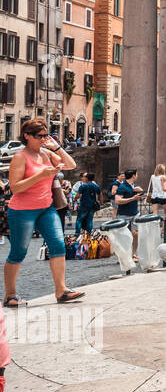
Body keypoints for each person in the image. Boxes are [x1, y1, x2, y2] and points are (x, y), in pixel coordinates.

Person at [2, 118, 83, 308]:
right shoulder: (20, 157)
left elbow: (71, 165)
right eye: (40, 136)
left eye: (46, 135)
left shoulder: (46, 153)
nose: (43, 139)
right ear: (27, 136)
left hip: (46, 208)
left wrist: (57, 148)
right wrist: (41, 175)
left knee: (58, 245)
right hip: (22, 211)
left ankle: (61, 290)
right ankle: (10, 295)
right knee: (18, 252)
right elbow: (15, 187)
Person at [113, 169, 143, 262]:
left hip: (135, 213)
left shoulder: (133, 185)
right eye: (137, 174)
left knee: (136, 234)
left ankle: (133, 254)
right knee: (122, 236)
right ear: (134, 175)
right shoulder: (122, 187)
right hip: (123, 214)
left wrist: (140, 191)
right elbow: (117, 201)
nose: (137, 176)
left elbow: (135, 196)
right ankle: (122, 255)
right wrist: (132, 198)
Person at [147, 165, 166, 231]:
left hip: (154, 196)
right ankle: (163, 229)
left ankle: (155, 229)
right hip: (162, 196)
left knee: (155, 213)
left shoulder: (152, 176)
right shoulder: (163, 177)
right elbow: (164, 188)